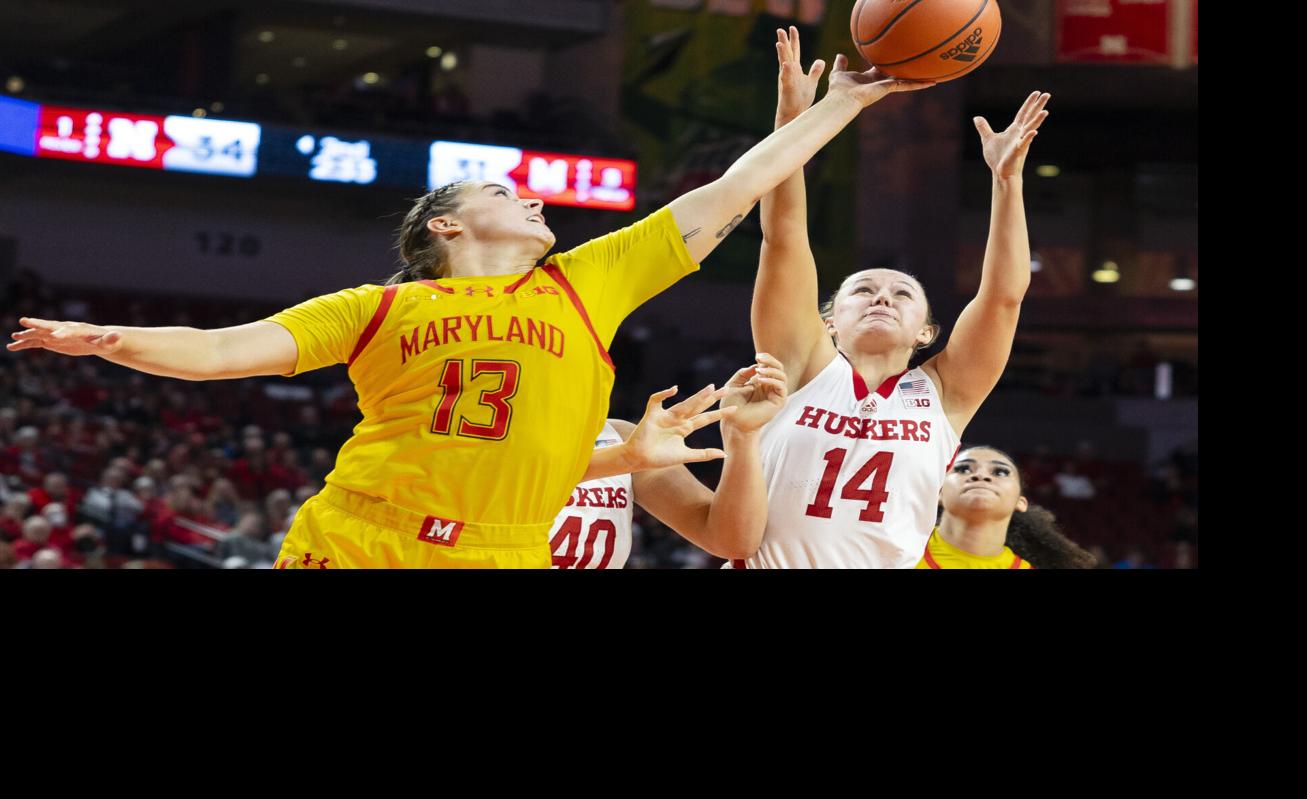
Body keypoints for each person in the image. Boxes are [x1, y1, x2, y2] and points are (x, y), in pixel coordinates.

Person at [8, 58, 929, 568]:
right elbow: (218, 351)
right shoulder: (373, 309)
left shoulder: (585, 279)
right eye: (503, 188)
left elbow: (734, 191)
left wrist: (839, 108)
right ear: (446, 224)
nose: (530, 197)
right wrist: (107, 340)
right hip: (365, 539)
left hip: (507, 553)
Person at [733, 29, 1048, 568]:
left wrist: (1006, 180)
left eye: (902, 293)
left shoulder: (945, 395)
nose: (883, 298)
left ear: (926, 331)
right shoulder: (802, 364)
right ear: (829, 320)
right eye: (863, 290)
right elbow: (784, 235)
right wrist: (793, 123)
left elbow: (1003, 297)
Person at [550, 354, 787, 568]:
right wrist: (625, 458)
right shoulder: (513, 445)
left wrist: (741, 433)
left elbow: (732, 543)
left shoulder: (620, 436)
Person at [917, 446, 1096, 569]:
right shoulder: (899, 544)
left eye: (1000, 472)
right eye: (963, 469)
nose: (980, 475)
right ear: (939, 493)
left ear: (1020, 502)